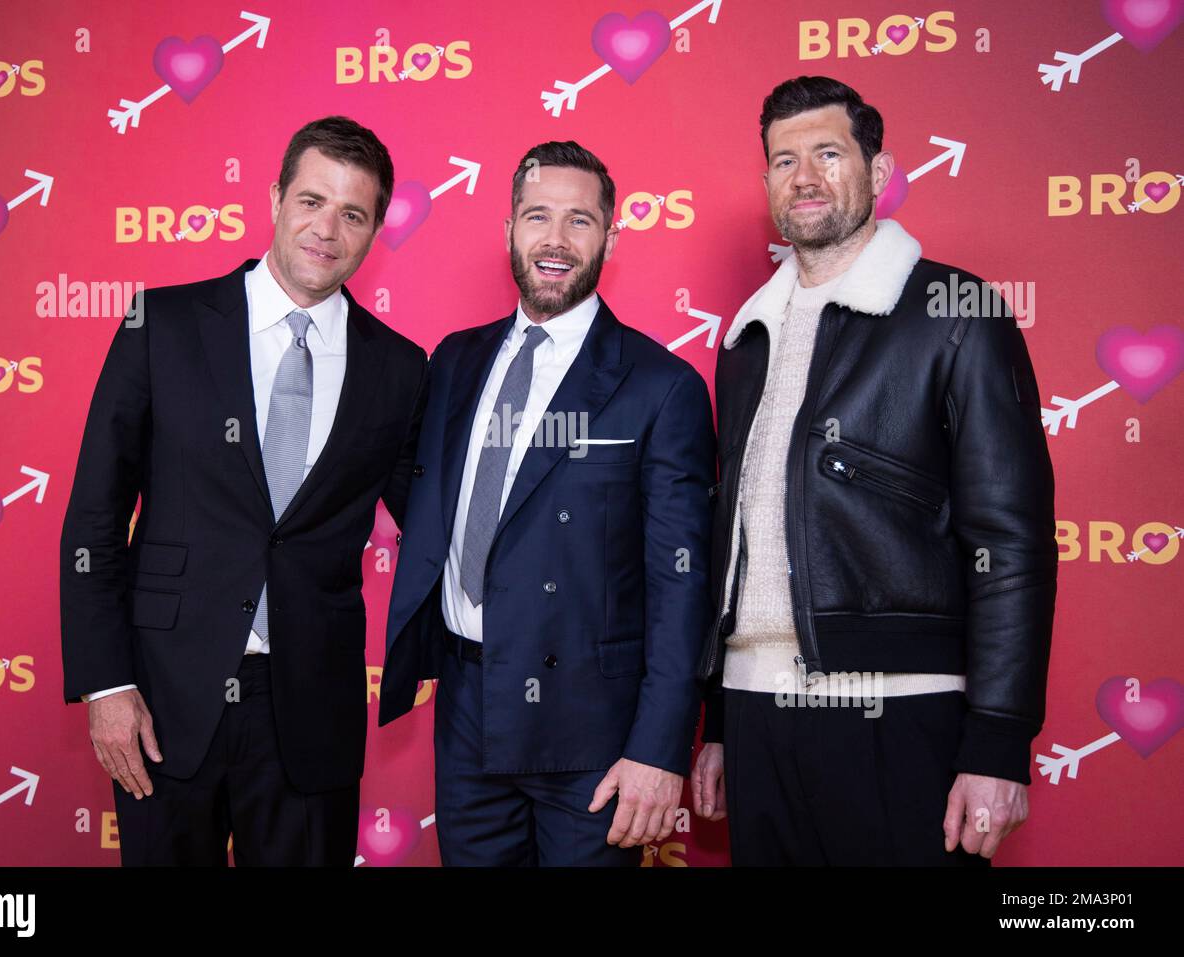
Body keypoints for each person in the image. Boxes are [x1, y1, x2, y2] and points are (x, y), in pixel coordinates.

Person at [691, 76, 1057, 865]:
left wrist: (997, 741)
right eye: (785, 161)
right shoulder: (745, 337)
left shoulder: (960, 313)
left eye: (828, 152)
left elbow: (1012, 540)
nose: (807, 177)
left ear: (880, 173)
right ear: (766, 186)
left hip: (899, 713)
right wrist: (719, 721)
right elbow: (741, 539)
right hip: (757, 716)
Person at [60, 116, 428, 866]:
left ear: (375, 231)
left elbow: (434, 522)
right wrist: (105, 683)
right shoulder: (160, 323)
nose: (327, 229)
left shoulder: (399, 368)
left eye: (352, 214)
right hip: (165, 696)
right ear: (274, 199)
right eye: (311, 201)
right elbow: (96, 515)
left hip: (311, 711)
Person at [380, 141, 715, 866]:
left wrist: (659, 749)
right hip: (469, 705)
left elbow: (681, 588)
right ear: (508, 230)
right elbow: (438, 504)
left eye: (579, 221)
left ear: (611, 237)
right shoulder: (454, 361)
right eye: (537, 217)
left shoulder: (661, 387)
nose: (556, 241)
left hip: (592, 732)